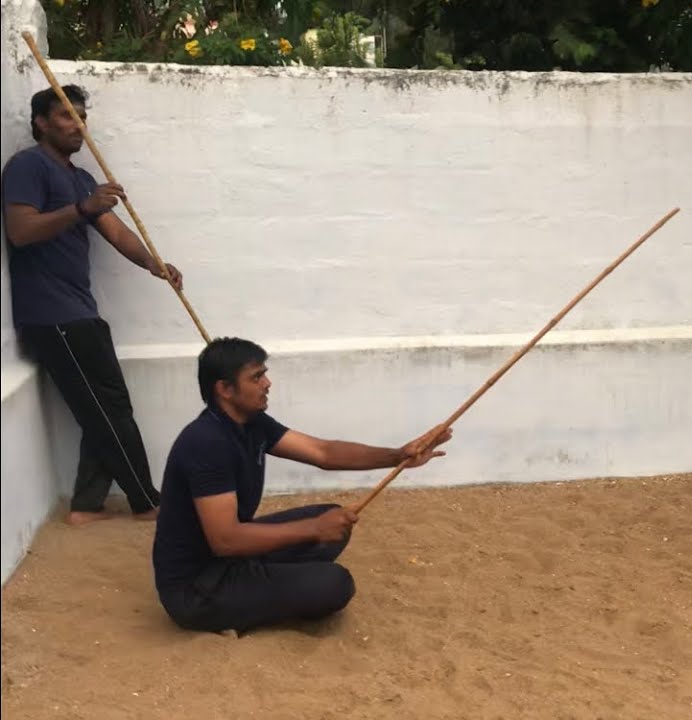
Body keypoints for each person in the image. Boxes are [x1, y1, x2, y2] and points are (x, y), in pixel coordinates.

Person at [151, 337, 453, 635]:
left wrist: (398, 455)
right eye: (256, 377)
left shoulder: (252, 422)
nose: (267, 383)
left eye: (264, 373)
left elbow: (323, 452)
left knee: (333, 525)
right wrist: (313, 528)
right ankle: (242, 601)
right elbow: (226, 540)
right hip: (197, 588)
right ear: (225, 389)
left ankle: (262, 586)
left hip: (229, 556)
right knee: (334, 584)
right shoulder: (206, 443)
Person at [2, 85, 183, 525]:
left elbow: (117, 234)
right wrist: (82, 208)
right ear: (41, 122)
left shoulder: (82, 179)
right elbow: (21, 231)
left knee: (101, 408)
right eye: (66, 116)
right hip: (52, 316)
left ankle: (86, 506)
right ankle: (146, 501)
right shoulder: (27, 166)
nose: (78, 124)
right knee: (111, 407)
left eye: (81, 116)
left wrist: (155, 264)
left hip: (79, 311)